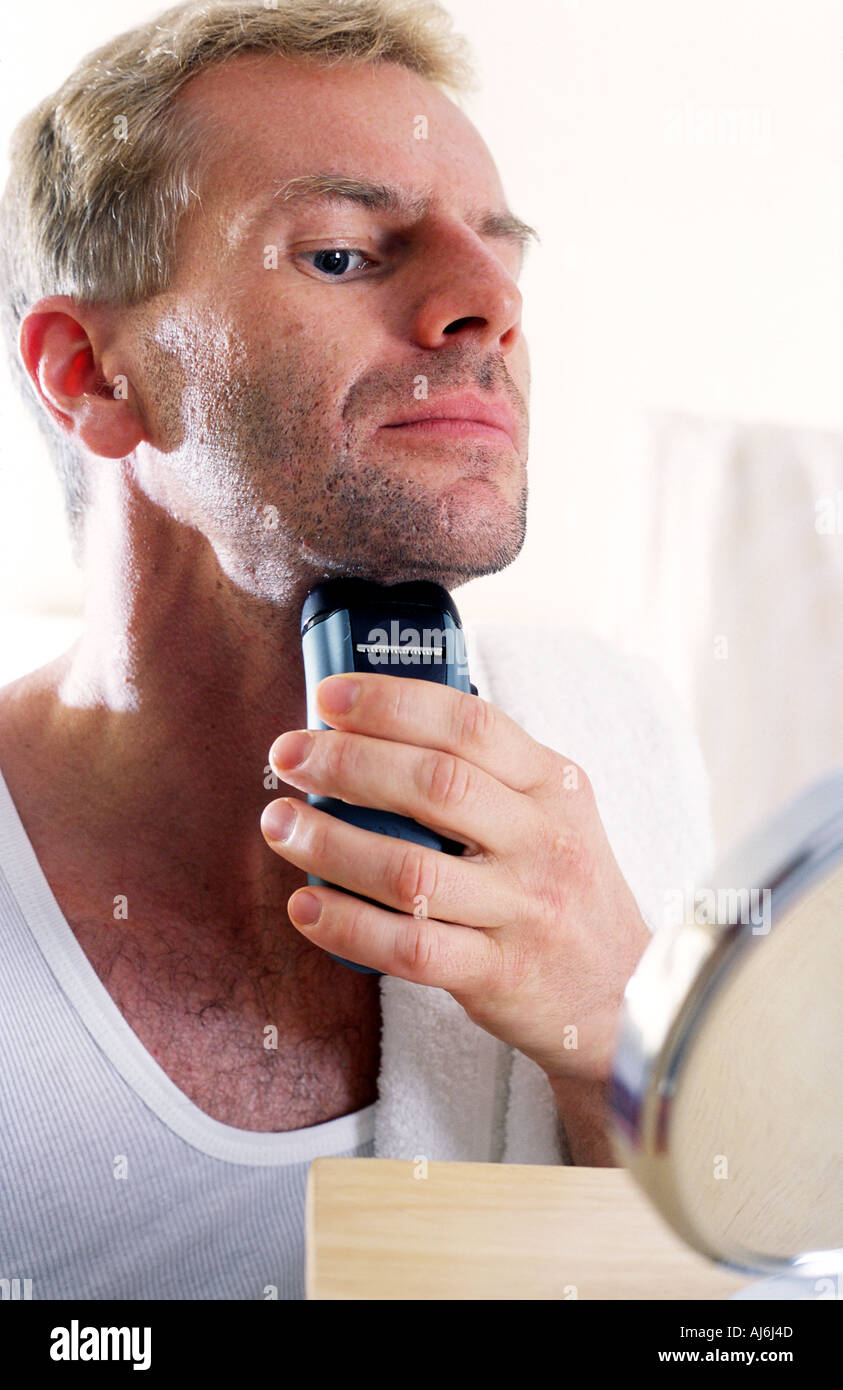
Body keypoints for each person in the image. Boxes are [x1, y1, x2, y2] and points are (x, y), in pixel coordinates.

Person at [0, 0, 711, 1299]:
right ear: (91, 373)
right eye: (340, 253)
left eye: (503, 257)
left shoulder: (617, 735)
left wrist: (618, 1032)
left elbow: (744, 1316)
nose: (489, 307)